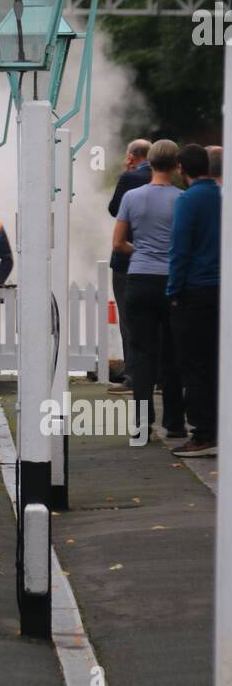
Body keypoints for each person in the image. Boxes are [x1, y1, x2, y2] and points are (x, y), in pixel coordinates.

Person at [112, 139, 185, 442]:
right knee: (172, 353)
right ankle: (175, 423)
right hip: (170, 283)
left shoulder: (131, 196)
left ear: (150, 163)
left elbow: (117, 243)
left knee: (142, 355)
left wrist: (140, 250)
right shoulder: (182, 199)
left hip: (138, 279)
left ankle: (142, 425)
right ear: (176, 166)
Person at [167, 144, 221, 458]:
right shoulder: (221, 196)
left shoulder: (188, 201)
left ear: (181, 168)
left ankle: (203, 432)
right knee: (216, 361)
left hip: (195, 291)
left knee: (194, 364)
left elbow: (180, 250)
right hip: (220, 291)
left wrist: (174, 292)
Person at [107, 139, 152, 391]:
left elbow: (114, 209)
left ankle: (133, 375)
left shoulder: (129, 179)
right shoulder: (166, 183)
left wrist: (126, 173)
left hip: (128, 260)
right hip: (158, 262)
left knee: (128, 319)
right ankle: (157, 375)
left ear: (132, 156)